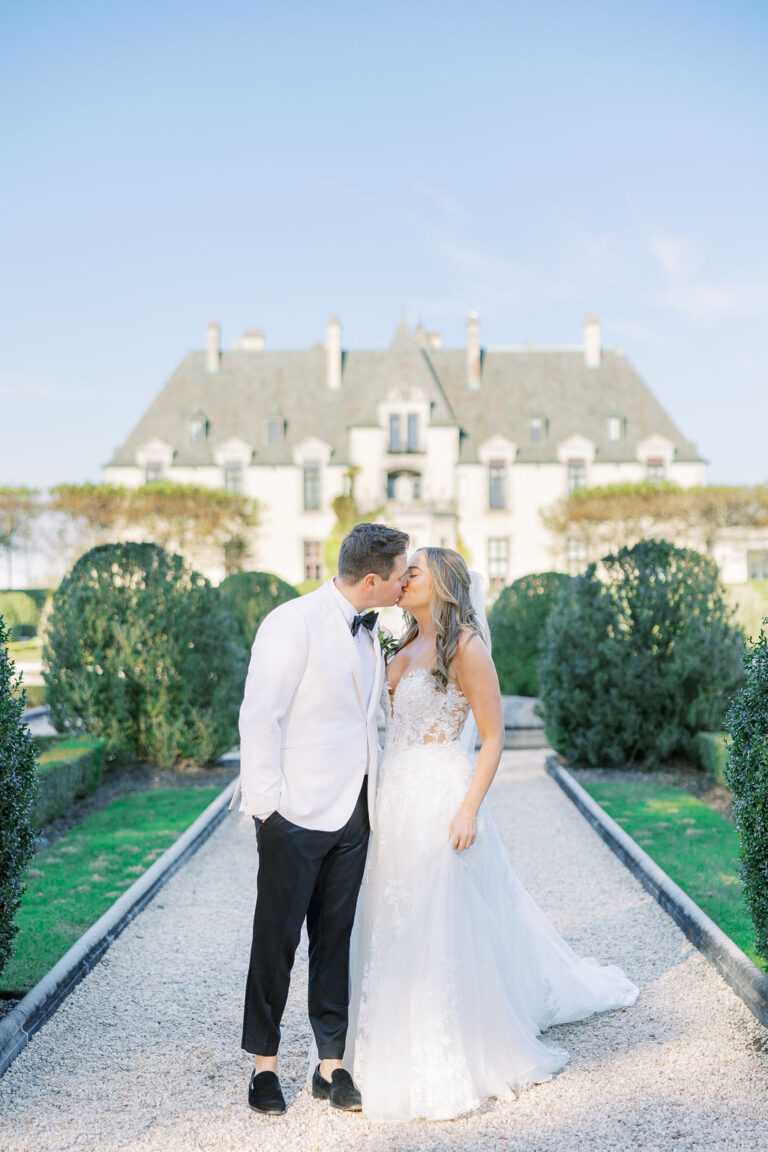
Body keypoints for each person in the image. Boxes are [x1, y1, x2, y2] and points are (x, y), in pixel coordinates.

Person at [344, 546, 639, 1122]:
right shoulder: (400, 643)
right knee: (388, 912)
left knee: (438, 916)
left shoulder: (466, 647)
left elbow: (494, 736)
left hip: (440, 796)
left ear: (443, 582)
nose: (402, 579)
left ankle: (446, 1049)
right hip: (393, 797)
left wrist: (468, 810)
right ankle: (378, 1040)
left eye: (413, 572)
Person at [232, 522, 409, 1115]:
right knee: (276, 941)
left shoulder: (372, 628)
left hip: (355, 811)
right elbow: (259, 715)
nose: (405, 582)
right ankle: (263, 1066)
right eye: (400, 574)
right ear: (371, 580)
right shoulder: (292, 622)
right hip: (294, 813)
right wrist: (268, 809)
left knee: (335, 940)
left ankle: (330, 1065)